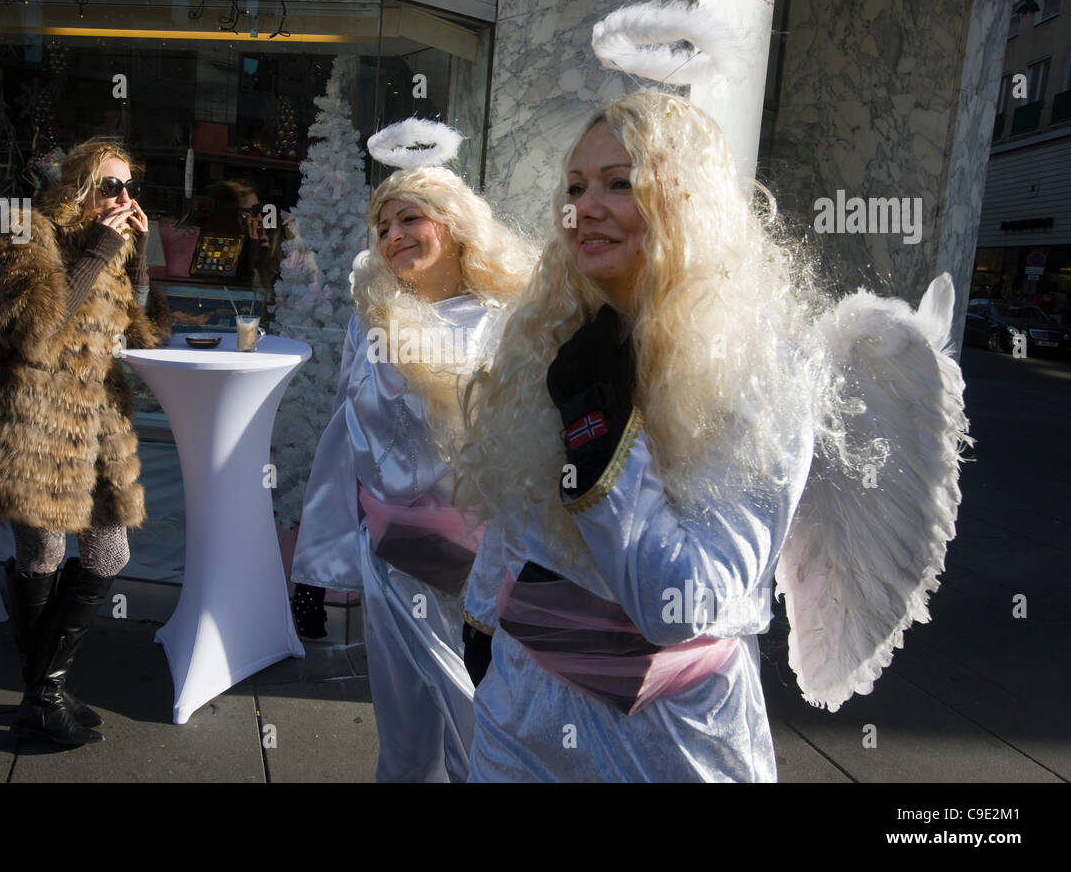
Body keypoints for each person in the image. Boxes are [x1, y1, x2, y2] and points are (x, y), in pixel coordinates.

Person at [455, 91, 851, 781]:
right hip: (519, 718)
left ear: (687, 202)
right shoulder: (547, 332)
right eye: (575, 186)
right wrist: (482, 619)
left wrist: (604, 440)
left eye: (621, 183)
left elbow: (686, 602)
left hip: (663, 738)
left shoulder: (760, 372)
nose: (585, 206)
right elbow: (516, 521)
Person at [290, 162, 533, 782]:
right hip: (392, 563)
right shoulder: (370, 321)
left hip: (476, 571)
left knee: (480, 719)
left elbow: (529, 450)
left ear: (452, 225)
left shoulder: (508, 322)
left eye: (409, 218)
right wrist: (320, 562)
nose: (392, 234)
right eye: (382, 225)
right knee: (404, 730)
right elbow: (345, 437)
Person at [0, 137, 173, 746]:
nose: (124, 198)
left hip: (101, 427)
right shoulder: (26, 232)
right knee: (43, 557)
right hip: (35, 424)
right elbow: (30, 329)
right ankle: (47, 693)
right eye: (111, 186)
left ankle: (41, 692)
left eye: (129, 186)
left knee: (109, 554)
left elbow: (144, 332)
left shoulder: (111, 244)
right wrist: (103, 247)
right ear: (77, 186)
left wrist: (135, 260)